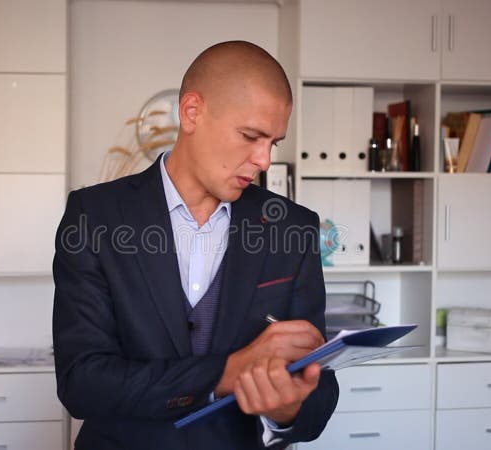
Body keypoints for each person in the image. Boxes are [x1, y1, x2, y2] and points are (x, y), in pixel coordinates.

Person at [53, 40, 338, 450]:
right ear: (192, 112)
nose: (264, 161)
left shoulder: (292, 227)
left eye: (273, 142)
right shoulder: (93, 216)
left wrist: (287, 410)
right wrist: (227, 372)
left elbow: (320, 390)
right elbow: (82, 383)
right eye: (251, 136)